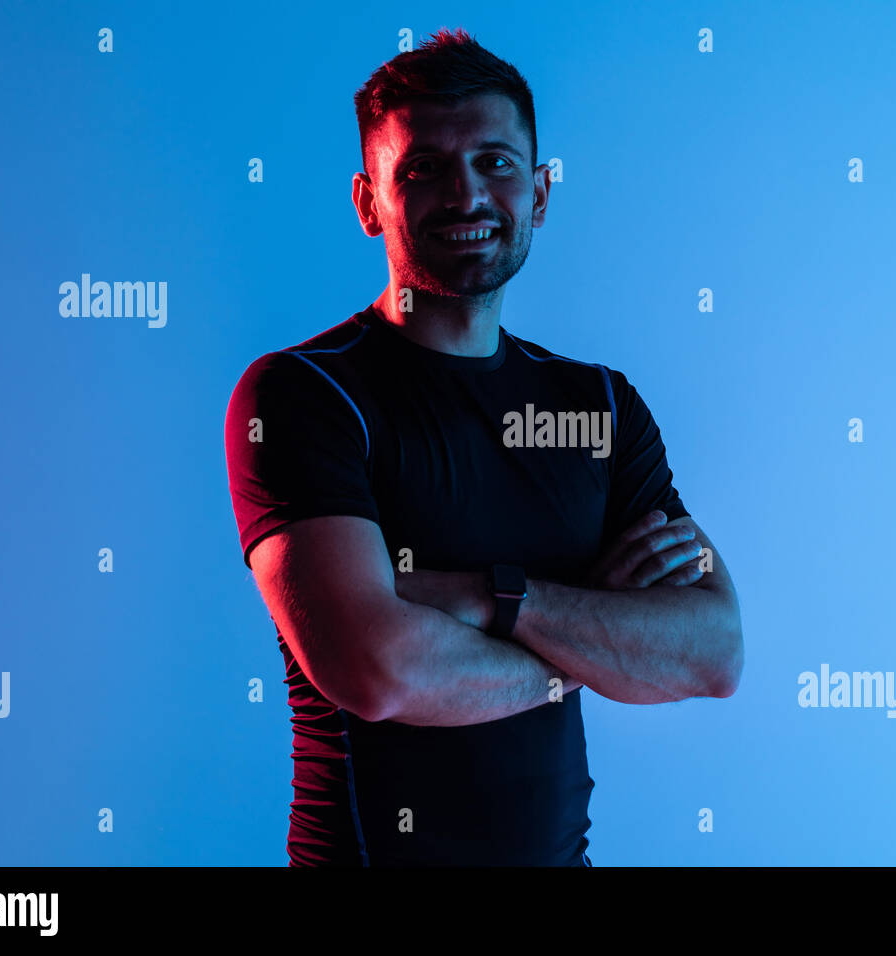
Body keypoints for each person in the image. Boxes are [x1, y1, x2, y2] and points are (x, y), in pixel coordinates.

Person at [223, 27, 742, 866]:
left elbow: (712, 652)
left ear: (538, 193)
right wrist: (595, 645)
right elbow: (377, 671)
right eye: (423, 169)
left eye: (496, 163)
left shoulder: (600, 406)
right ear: (369, 202)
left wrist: (494, 601)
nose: (466, 195)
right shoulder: (302, 396)